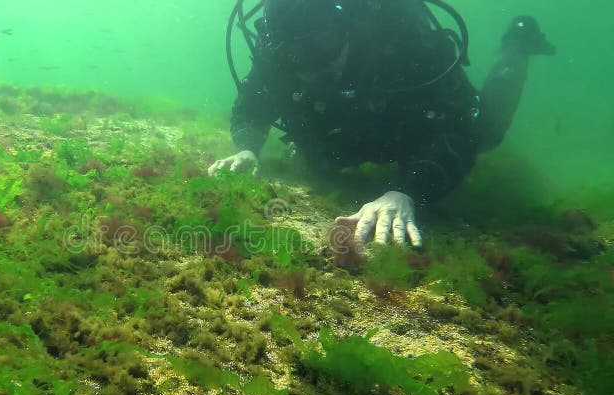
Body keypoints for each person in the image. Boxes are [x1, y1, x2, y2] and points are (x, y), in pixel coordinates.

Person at [208, 0, 555, 247]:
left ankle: (517, 46)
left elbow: (457, 130)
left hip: (405, 132)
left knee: (487, 130)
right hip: (346, 141)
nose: (312, 65)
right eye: (295, 54)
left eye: (322, 45)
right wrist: (248, 148)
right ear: (279, 48)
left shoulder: (403, 42)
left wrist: (406, 190)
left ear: (345, 28)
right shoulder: (279, 56)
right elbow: (252, 104)